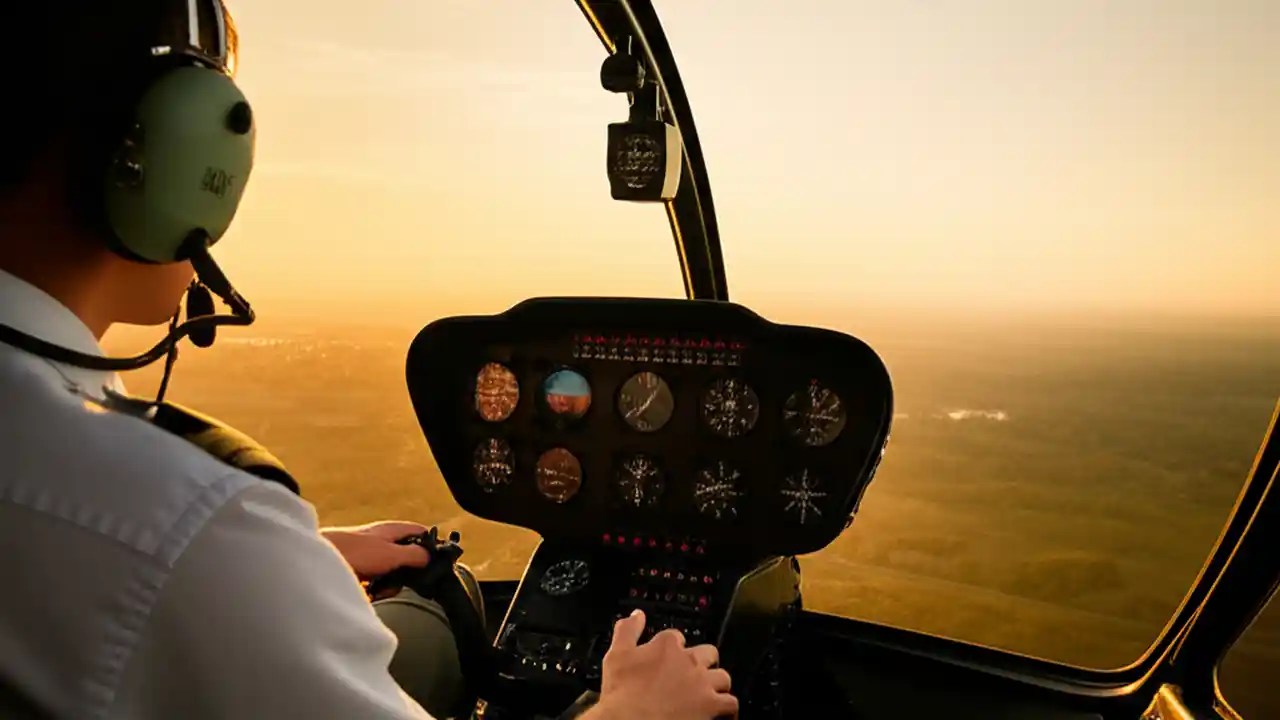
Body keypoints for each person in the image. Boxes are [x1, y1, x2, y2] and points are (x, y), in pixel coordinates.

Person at [0, 2, 738, 719]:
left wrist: (293, 562)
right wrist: (636, 709)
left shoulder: (125, 501)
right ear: (170, 154)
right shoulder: (187, 524)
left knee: (432, 621)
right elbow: (147, 550)